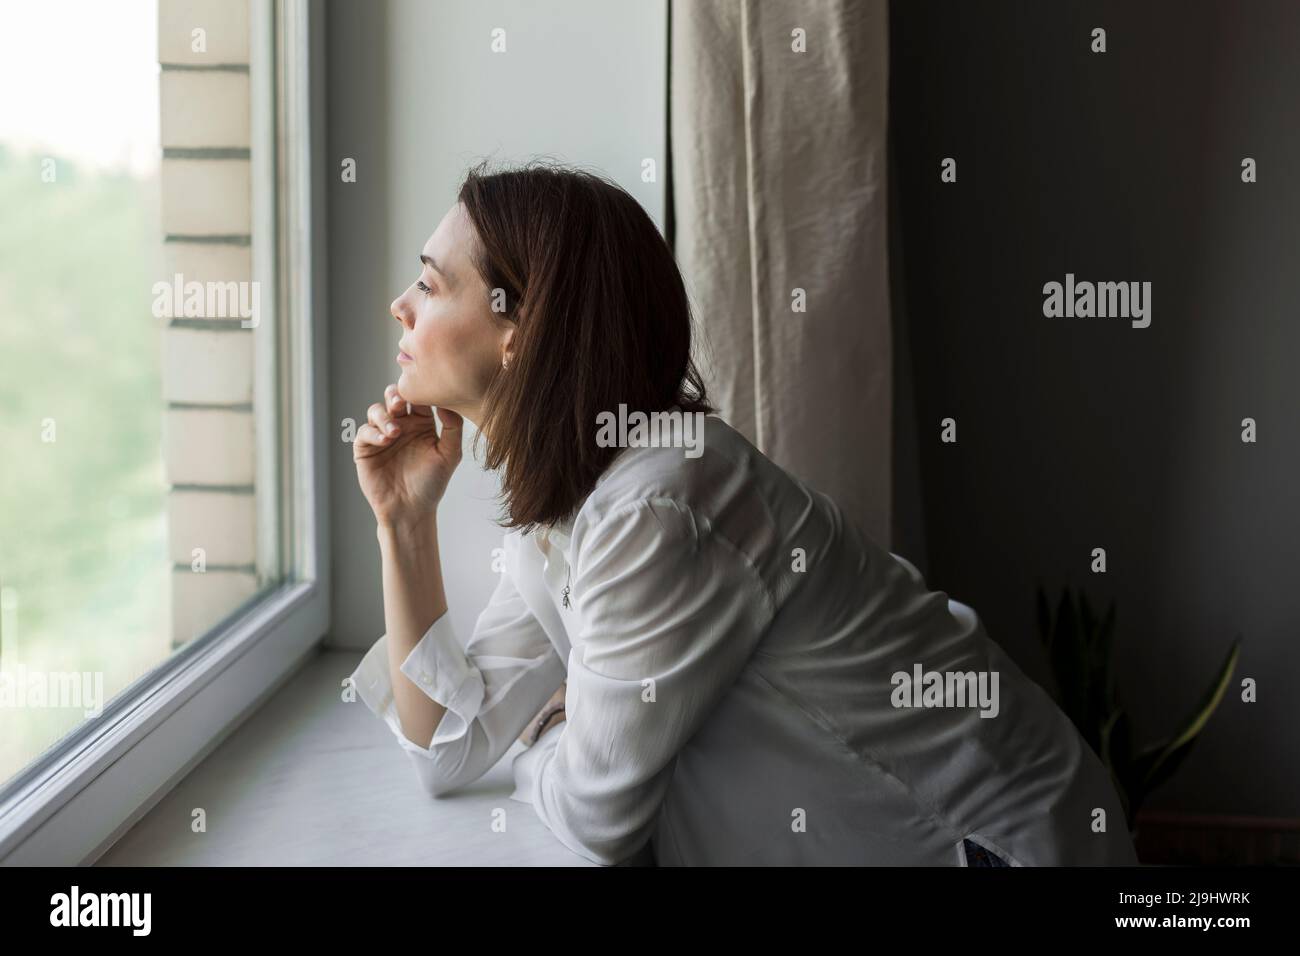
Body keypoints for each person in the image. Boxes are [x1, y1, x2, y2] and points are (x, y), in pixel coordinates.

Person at [347, 160, 1140, 867]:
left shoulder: (660, 502)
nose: (399, 305)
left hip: (996, 846)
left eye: (428, 283)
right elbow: (447, 747)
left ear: (519, 328)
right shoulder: (576, 510)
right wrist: (404, 524)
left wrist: (548, 732)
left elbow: (597, 820)